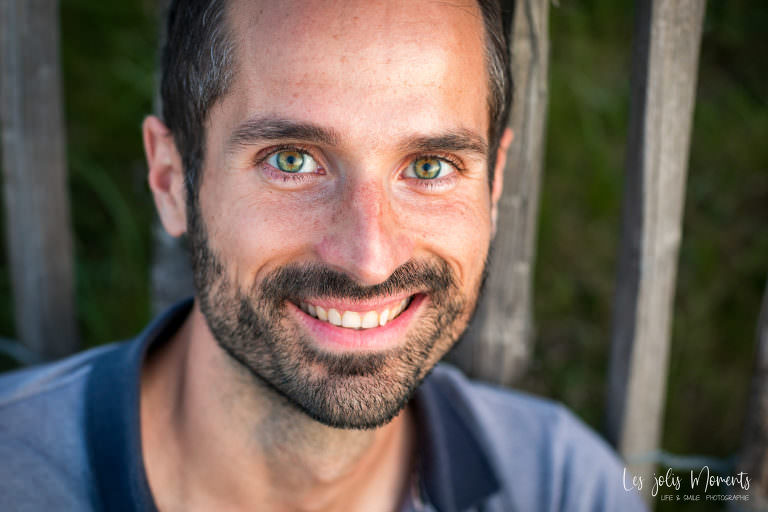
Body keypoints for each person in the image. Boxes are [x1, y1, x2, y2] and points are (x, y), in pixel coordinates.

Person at [0, 0, 646, 510]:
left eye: (428, 166)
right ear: (172, 180)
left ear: (494, 184)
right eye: (292, 161)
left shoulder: (564, 487)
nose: (368, 259)